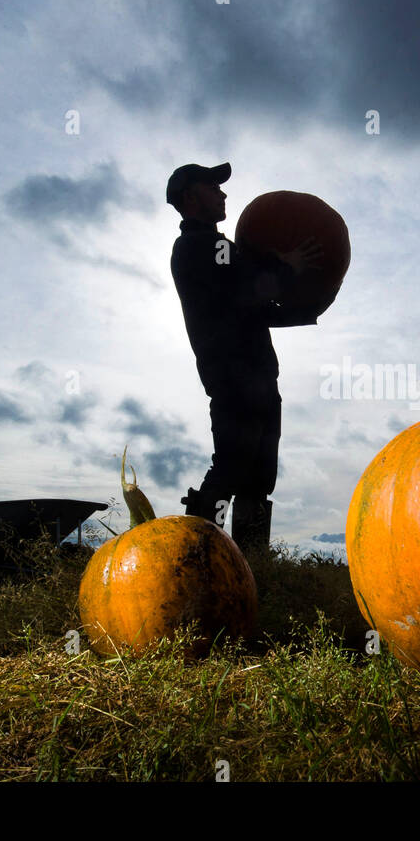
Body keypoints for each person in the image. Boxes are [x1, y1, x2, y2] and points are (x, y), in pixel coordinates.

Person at [166, 161, 323, 557]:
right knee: (233, 468)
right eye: (212, 187)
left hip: (259, 377)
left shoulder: (220, 248)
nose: (223, 194)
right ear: (190, 198)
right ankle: (200, 556)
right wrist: (290, 267)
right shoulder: (198, 247)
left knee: (258, 477)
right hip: (234, 377)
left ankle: (250, 565)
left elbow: (256, 306)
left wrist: (306, 309)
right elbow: (251, 289)